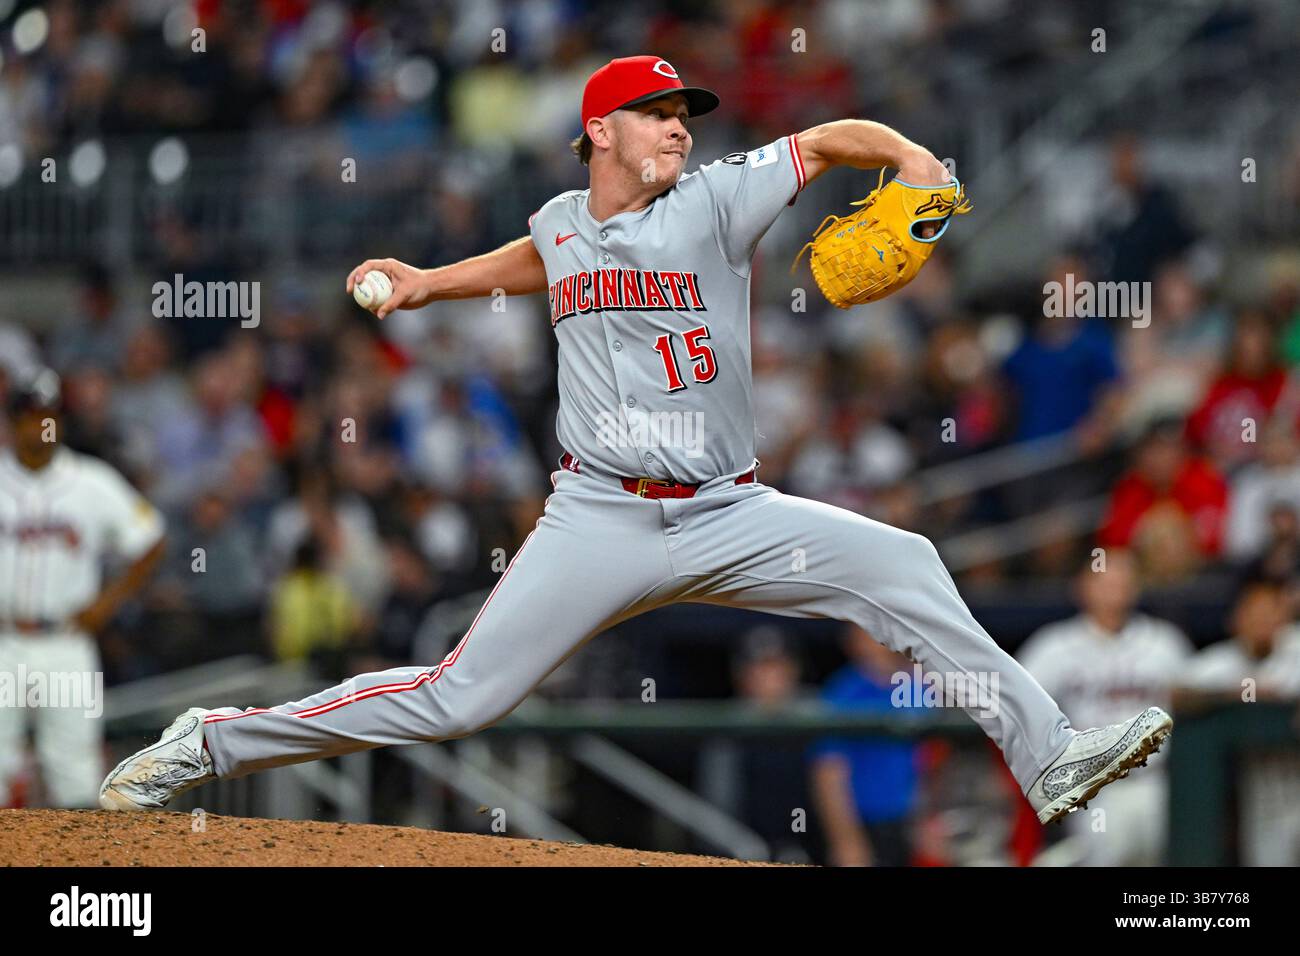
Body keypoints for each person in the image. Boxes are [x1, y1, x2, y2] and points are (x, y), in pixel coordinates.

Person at [101, 55, 1171, 827]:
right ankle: (210, 741)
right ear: (600, 130)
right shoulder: (566, 218)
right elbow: (539, 256)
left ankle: (1048, 756)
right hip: (598, 514)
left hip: (730, 510)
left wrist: (910, 156)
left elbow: (829, 139)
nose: (679, 128)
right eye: (657, 114)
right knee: (457, 695)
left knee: (905, 560)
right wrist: (429, 282)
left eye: (684, 113)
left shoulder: (715, 199)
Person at [0, 369, 166, 808]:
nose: (40, 426)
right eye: (30, 416)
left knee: (75, 777)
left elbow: (150, 538)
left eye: (48, 416)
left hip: (66, 643)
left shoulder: (91, 482)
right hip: (4, 639)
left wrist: (108, 603)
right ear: (12, 421)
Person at [1017, 550, 1193, 865]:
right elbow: (1018, 703)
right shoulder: (1054, 645)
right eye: (1104, 582)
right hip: (1096, 786)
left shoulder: (1165, 643)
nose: (1114, 590)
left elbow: (1196, 700)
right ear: (1082, 588)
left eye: (1123, 581)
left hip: (1157, 781)